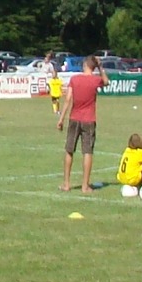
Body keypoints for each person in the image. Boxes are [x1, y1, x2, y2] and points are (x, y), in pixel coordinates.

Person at [57, 56, 105, 192]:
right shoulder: (96, 80)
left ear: (85, 65)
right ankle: (85, 186)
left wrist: (61, 119)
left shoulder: (74, 79)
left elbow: (67, 100)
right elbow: (106, 82)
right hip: (89, 119)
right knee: (87, 152)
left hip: (74, 118)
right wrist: (101, 67)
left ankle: (66, 184)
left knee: (69, 150)